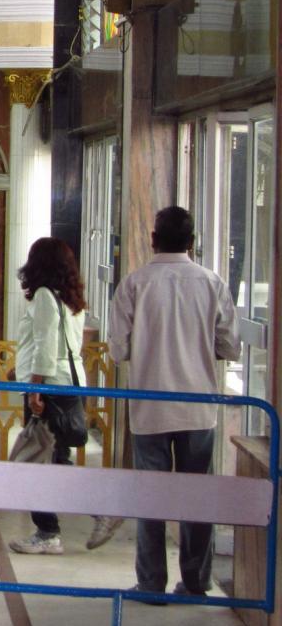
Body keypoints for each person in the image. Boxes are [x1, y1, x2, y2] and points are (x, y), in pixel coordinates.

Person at [108, 206, 240, 598]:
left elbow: (118, 351)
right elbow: (229, 346)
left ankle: (151, 585)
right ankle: (196, 582)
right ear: (192, 242)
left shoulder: (134, 284)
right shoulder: (212, 283)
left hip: (149, 409)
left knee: (151, 496)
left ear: (153, 239)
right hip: (198, 408)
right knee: (196, 497)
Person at [8, 237, 103, 556]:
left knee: (40, 460)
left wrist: (36, 388)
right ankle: (70, 519)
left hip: (50, 387)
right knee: (55, 459)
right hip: (66, 384)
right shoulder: (70, 298)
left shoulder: (47, 297)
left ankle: (53, 528)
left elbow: (46, 346)